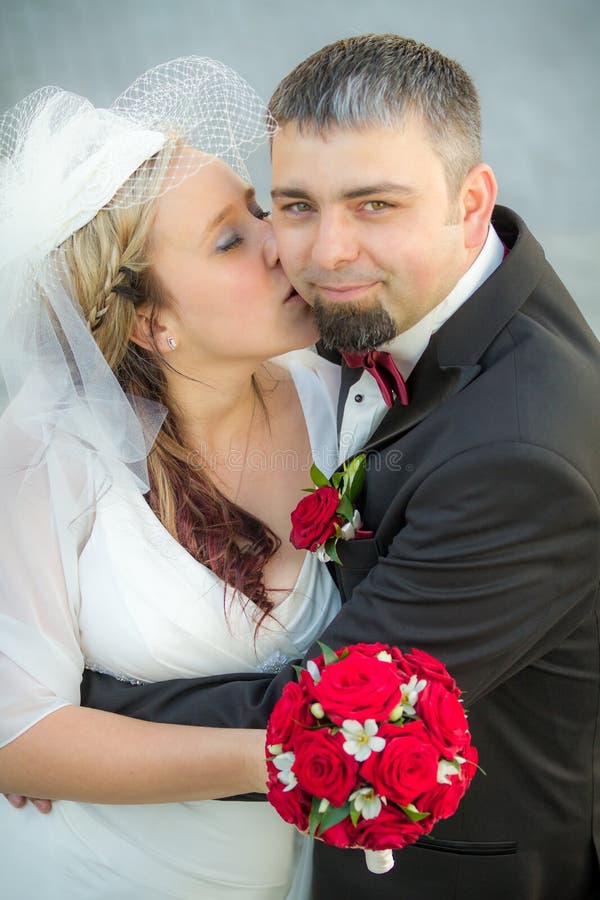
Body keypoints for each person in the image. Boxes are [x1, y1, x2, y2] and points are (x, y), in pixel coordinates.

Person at [77, 35, 600, 900]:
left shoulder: (518, 455)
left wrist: (67, 728)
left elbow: (329, 718)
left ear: (471, 203)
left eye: (375, 205)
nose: (323, 254)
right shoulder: (390, 310)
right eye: (294, 204)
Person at [0, 57, 342, 899]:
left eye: (260, 209)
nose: (280, 241)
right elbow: (18, 732)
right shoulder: (50, 457)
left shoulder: (343, 395)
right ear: (153, 324)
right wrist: (281, 759)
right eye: (230, 239)